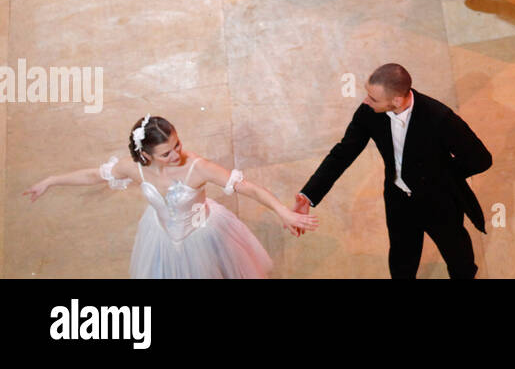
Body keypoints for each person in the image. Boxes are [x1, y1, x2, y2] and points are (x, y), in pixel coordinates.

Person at [23, 115, 316, 278]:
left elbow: (247, 188)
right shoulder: (134, 169)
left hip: (202, 235)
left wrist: (282, 211)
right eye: (166, 153)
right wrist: (51, 181)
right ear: (145, 154)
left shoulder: (197, 167)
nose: (177, 154)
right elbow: (93, 175)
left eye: (178, 144)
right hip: (161, 237)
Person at [295, 64, 492, 279]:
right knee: (401, 261)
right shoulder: (368, 112)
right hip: (398, 201)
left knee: (458, 256)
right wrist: (309, 194)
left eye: (373, 98)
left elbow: (481, 159)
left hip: (439, 201)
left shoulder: (440, 118)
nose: (365, 101)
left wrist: (442, 176)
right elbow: (343, 153)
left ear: (397, 100)